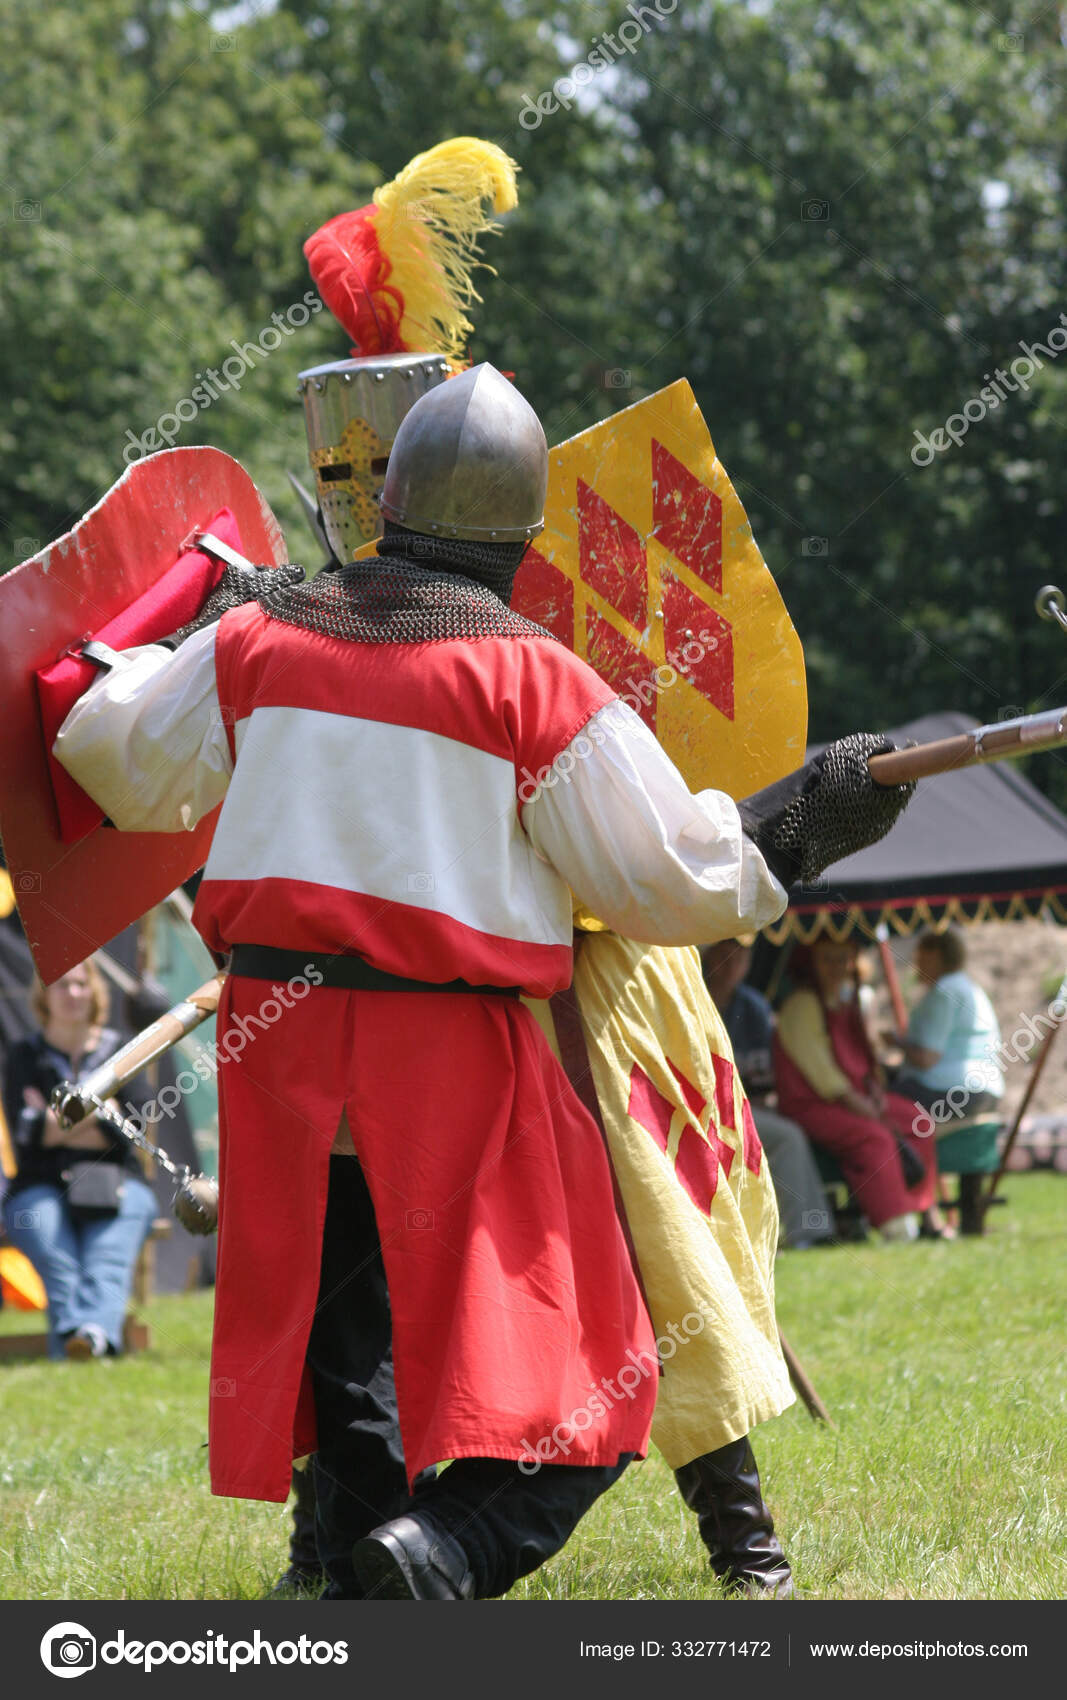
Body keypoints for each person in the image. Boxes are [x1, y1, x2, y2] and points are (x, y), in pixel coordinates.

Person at [53, 365, 913, 1599]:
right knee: (602, 1356)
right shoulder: (532, 678)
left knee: (346, 1340)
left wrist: (203, 626)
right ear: (520, 536)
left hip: (282, 1048)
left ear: (386, 501)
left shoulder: (262, 636)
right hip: (444, 1053)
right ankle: (442, 1545)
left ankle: (358, 1580)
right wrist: (798, 833)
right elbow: (662, 881)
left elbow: (111, 754)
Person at [1, 959, 157, 1358]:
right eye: (61, 985)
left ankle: (80, 1339)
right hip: (39, 1186)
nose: (72, 994)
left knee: (106, 1258)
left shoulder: (123, 1052)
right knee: (59, 1259)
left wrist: (56, 1122)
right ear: (44, 996)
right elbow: (26, 1134)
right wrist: (103, 1115)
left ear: (94, 991)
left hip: (118, 1180)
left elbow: (132, 1130)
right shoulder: (23, 1056)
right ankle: (93, 1339)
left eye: (80, 984)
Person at [774, 935, 939, 1242]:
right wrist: (859, 1103)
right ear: (812, 963)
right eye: (827, 959)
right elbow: (820, 1071)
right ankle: (896, 1226)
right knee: (873, 1137)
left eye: (842, 958)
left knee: (919, 1122)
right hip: (812, 1105)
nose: (836, 967)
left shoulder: (846, 1001)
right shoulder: (802, 1005)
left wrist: (875, 1091)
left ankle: (922, 1211)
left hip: (856, 1098)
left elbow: (864, 1057)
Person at [701, 937, 833, 1249]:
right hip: (698, 1108)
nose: (732, 967)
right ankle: (807, 1231)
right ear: (709, 957)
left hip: (743, 1108)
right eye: (725, 957)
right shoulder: (693, 1000)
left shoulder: (753, 1007)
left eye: (740, 959)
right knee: (787, 1137)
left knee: (787, 1134)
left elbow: (763, 1080)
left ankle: (811, 1230)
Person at [883, 928, 1004, 1123]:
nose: (916, 963)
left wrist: (896, 1042)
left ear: (935, 956)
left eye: (920, 957)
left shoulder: (946, 991)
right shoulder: (965, 987)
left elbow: (927, 1058)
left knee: (875, 1102)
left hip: (954, 1090)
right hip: (982, 1089)